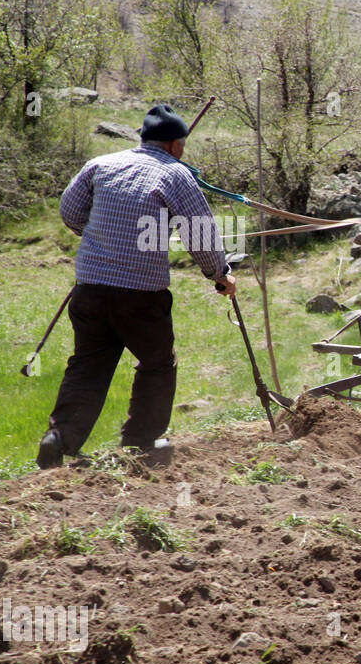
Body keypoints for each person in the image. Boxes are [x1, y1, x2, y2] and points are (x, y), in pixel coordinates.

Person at [37, 104, 236, 469]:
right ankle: (141, 442)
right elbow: (200, 233)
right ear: (176, 145)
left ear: (143, 137)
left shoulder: (100, 165)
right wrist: (220, 274)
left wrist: (100, 237)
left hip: (90, 288)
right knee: (158, 362)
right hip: (141, 294)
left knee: (88, 364)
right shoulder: (176, 175)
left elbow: (70, 212)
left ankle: (59, 436)